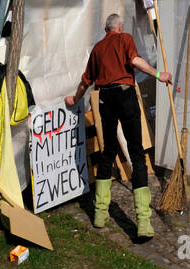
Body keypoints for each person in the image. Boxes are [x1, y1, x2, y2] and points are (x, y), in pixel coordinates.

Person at [66, 14, 171, 239]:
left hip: (105, 99)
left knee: (108, 152)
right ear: (120, 27)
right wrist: (159, 74)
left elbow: (86, 81)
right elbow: (134, 61)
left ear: (106, 29)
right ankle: (143, 222)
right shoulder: (125, 39)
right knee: (136, 153)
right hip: (125, 96)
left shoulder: (98, 48)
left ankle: (100, 214)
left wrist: (75, 100)